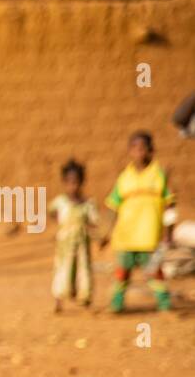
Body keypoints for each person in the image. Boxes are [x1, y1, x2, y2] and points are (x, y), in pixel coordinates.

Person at [100, 131, 176, 313]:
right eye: (134, 148)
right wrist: (106, 233)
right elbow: (113, 208)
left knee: (154, 272)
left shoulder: (159, 175)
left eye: (142, 148)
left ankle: (165, 306)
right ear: (129, 151)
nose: (138, 152)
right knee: (122, 272)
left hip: (149, 237)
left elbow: (170, 205)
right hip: (126, 236)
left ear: (150, 150)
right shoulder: (124, 178)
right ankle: (116, 306)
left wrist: (169, 232)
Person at [49, 159, 96, 311]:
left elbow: (93, 221)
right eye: (69, 182)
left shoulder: (87, 203)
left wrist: (99, 235)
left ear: (81, 182)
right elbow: (51, 212)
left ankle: (85, 298)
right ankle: (58, 300)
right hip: (65, 244)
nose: (72, 186)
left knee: (83, 269)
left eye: (76, 182)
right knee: (63, 269)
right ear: (64, 183)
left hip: (82, 244)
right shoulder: (60, 202)